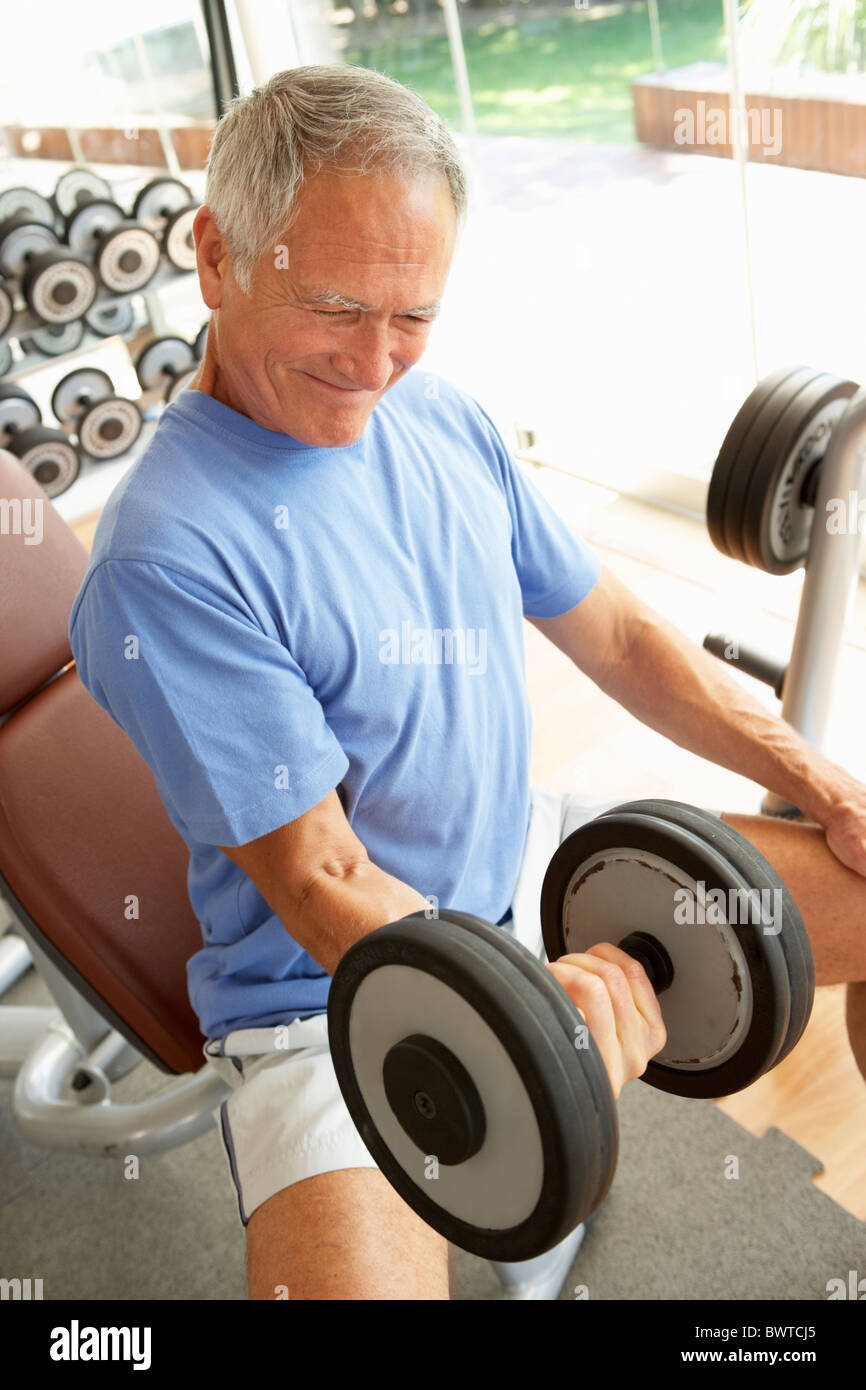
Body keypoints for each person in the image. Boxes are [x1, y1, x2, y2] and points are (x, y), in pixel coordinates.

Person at [69, 65, 866, 1302]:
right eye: (337, 304)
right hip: (323, 987)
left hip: (530, 862)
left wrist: (807, 772)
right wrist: (521, 1014)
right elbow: (322, 879)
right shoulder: (167, 557)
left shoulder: (441, 419)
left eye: (412, 317)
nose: (375, 363)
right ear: (217, 256)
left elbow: (616, 637)